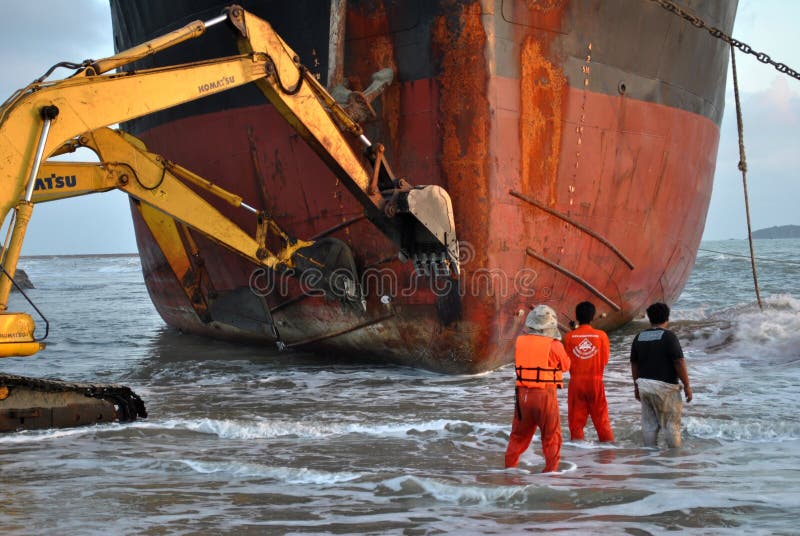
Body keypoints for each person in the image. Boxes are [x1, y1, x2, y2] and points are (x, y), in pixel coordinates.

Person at [505, 304, 571, 472]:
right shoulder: (554, 345)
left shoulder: (520, 341)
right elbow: (565, 366)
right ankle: (551, 474)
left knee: (518, 436)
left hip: (522, 396)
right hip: (545, 395)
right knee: (551, 437)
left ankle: (509, 472)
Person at [630, 302, 692, 448]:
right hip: (665, 387)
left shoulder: (639, 337)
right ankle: (674, 460)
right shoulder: (669, 336)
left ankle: (651, 459)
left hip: (644, 385)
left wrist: (636, 387)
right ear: (667, 319)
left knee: (649, 425)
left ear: (649, 319)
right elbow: (679, 361)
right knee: (671, 426)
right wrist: (687, 386)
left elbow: (634, 364)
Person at [563, 301, 614, 442]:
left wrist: (574, 331)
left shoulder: (569, 337)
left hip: (576, 383)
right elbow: (605, 359)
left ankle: (579, 453)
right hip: (595, 382)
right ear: (592, 317)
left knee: (576, 424)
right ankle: (608, 454)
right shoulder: (601, 336)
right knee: (602, 422)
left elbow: (566, 362)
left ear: (576, 316)